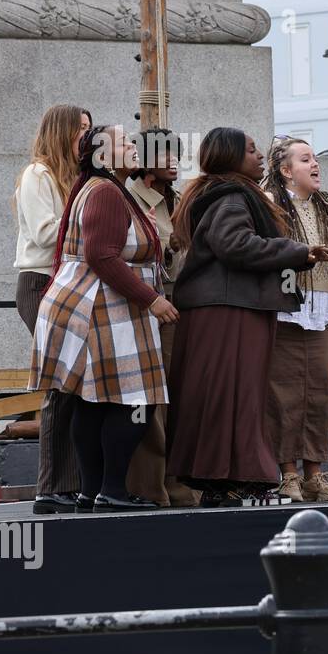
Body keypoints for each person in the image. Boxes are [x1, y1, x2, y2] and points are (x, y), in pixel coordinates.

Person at [168, 128, 328, 506]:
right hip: (229, 310)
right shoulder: (232, 196)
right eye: (250, 150)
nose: (260, 155)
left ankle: (222, 478)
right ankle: (224, 478)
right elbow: (235, 245)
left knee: (224, 396)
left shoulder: (217, 192)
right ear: (230, 156)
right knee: (231, 395)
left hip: (225, 308)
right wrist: (298, 251)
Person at [29, 125, 172, 513]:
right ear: (104, 156)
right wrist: (152, 300)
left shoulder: (101, 187)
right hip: (103, 306)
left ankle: (93, 492)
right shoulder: (107, 191)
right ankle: (110, 490)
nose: (133, 145)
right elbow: (102, 255)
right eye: (124, 143)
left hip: (93, 303)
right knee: (134, 399)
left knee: (94, 402)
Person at [263, 137, 328, 503]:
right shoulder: (271, 205)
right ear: (285, 170)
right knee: (285, 394)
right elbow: (265, 252)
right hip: (287, 308)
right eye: (305, 159)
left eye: (315, 158)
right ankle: (287, 472)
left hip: (323, 310)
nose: (315, 164)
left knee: (320, 394)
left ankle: (314, 472)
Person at [15, 104, 91, 511]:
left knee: (78, 386)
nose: (87, 135)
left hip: (70, 283)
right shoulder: (38, 174)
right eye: (80, 128)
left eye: (89, 128)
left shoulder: (78, 178)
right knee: (61, 385)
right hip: (42, 282)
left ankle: (75, 481)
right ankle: (51, 487)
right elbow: (46, 233)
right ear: (62, 131)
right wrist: (89, 219)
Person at [123, 129, 200, 507]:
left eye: (176, 153)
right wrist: (168, 248)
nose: (173, 160)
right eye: (164, 153)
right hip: (147, 307)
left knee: (178, 396)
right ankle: (150, 486)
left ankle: (176, 481)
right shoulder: (129, 198)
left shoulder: (180, 199)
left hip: (181, 308)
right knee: (152, 399)